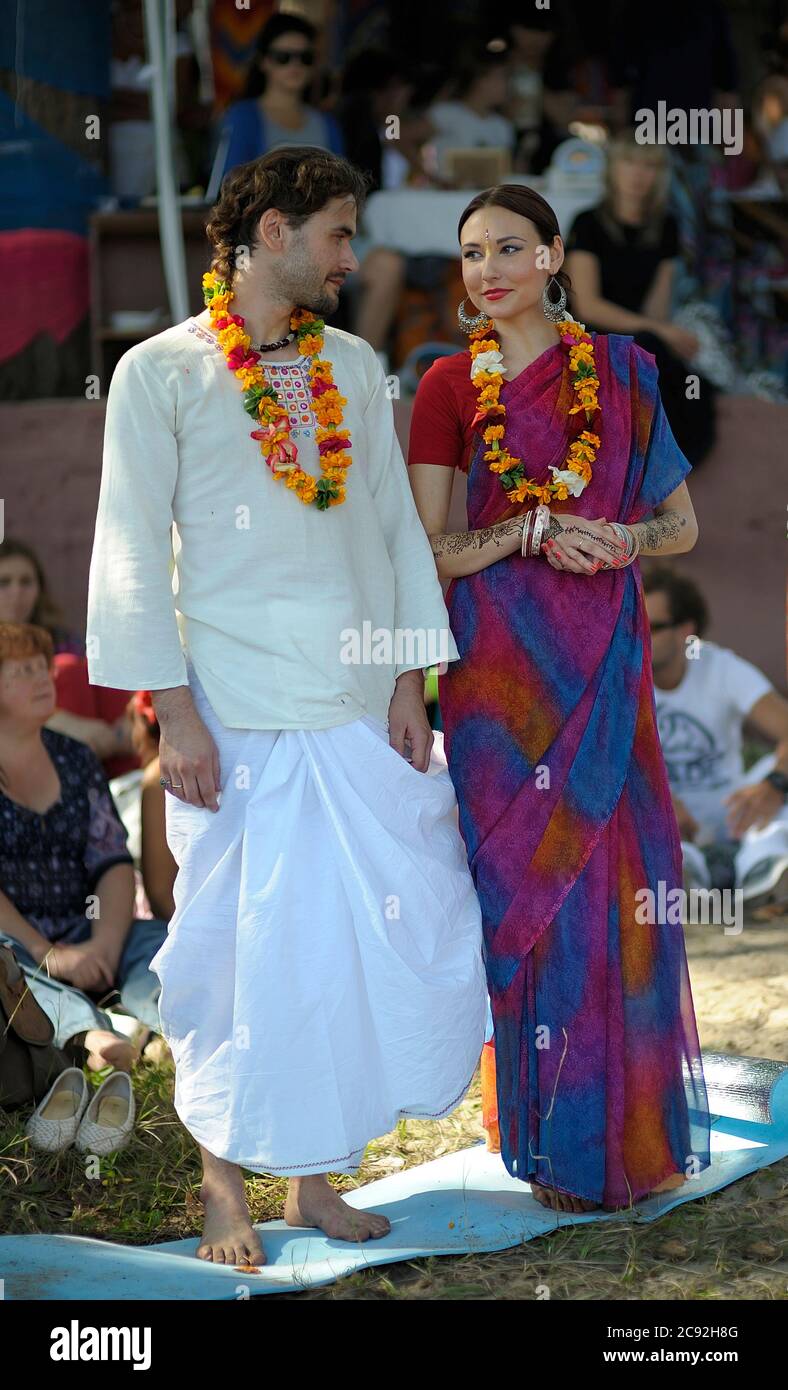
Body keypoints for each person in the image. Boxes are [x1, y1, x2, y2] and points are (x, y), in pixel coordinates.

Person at [84, 146, 487, 1266]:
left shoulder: (355, 364)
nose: (352, 258)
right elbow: (127, 554)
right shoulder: (158, 372)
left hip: (358, 699)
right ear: (269, 232)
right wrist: (179, 714)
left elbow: (393, 530)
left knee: (346, 945)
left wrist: (409, 680)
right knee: (232, 950)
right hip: (232, 707)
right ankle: (224, 1190)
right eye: (337, 235)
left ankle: (310, 1184)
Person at [407, 182, 712, 1214]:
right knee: (528, 907)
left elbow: (679, 526)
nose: (484, 270)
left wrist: (623, 539)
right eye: (468, 253)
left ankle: (619, 1143)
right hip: (495, 684)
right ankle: (549, 1146)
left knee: (610, 894)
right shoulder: (448, 383)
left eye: (506, 248)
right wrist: (528, 532)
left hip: (602, 669)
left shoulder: (623, 373)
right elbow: (430, 550)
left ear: (550, 257)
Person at [0, 622, 168, 1072]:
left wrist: (106, 944)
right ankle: (93, 1036)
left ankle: (173, 1028)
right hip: (19, 945)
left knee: (161, 945)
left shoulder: (75, 757)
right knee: (4, 970)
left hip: (92, 933)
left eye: (42, 667)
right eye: (21, 671)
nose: (43, 678)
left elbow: (111, 860)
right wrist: (45, 953)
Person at [564, 133, 717, 467]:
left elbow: (655, 310)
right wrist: (659, 332)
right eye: (629, 163)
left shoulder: (666, 228)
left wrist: (662, 334)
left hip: (640, 336)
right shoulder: (587, 224)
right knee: (653, 357)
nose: (638, 174)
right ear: (612, 169)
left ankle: (674, 465)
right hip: (589, 336)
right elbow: (587, 306)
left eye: (649, 166)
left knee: (693, 383)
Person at [643, 567, 788, 905]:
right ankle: (683, 875)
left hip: (736, 815)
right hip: (669, 821)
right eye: (634, 625)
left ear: (685, 631)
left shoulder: (719, 667)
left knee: (779, 773)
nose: (640, 636)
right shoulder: (621, 675)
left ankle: (765, 869)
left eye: (654, 627)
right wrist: (653, 800)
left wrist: (775, 784)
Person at [0, 538, 137, 774]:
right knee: (68, 670)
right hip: (28, 752)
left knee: (98, 669)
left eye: (26, 582)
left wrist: (115, 733)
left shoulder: (61, 640)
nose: (16, 592)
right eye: (4, 582)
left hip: (107, 746)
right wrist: (57, 722)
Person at [213, 13, 344, 184]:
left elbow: (343, 184)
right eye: (283, 57)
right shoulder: (241, 117)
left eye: (305, 58)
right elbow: (230, 185)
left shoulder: (328, 124)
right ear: (263, 61)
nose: (294, 65)